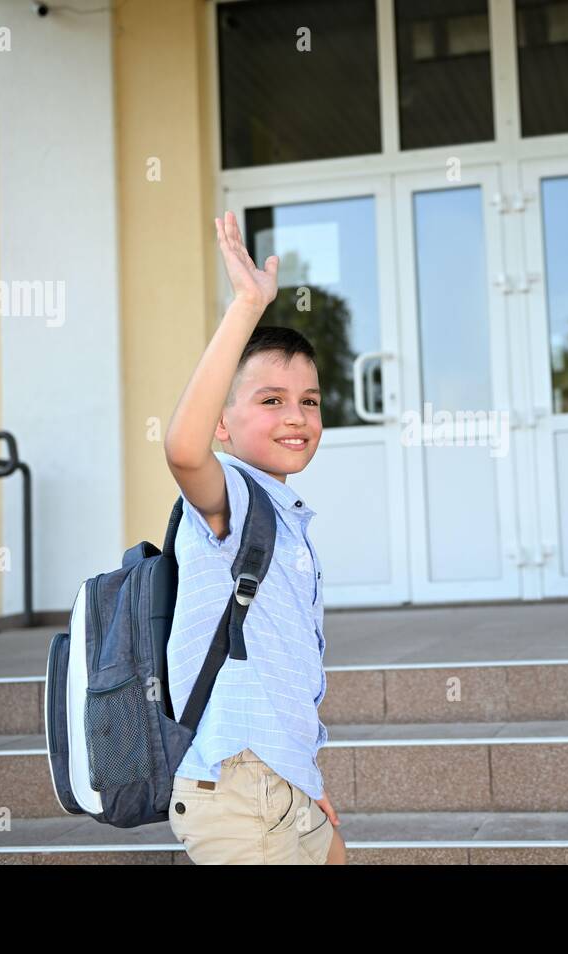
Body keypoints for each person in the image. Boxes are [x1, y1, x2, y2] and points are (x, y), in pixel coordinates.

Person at [161, 210, 345, 865]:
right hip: (238, 790)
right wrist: (245, 307)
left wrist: (306, 780)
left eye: (310, 401)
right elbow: (183, 450)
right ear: (222, 423)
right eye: (270, 400)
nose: (296, 416)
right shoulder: (231, 498)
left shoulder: (283, 511)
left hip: (283, 781)